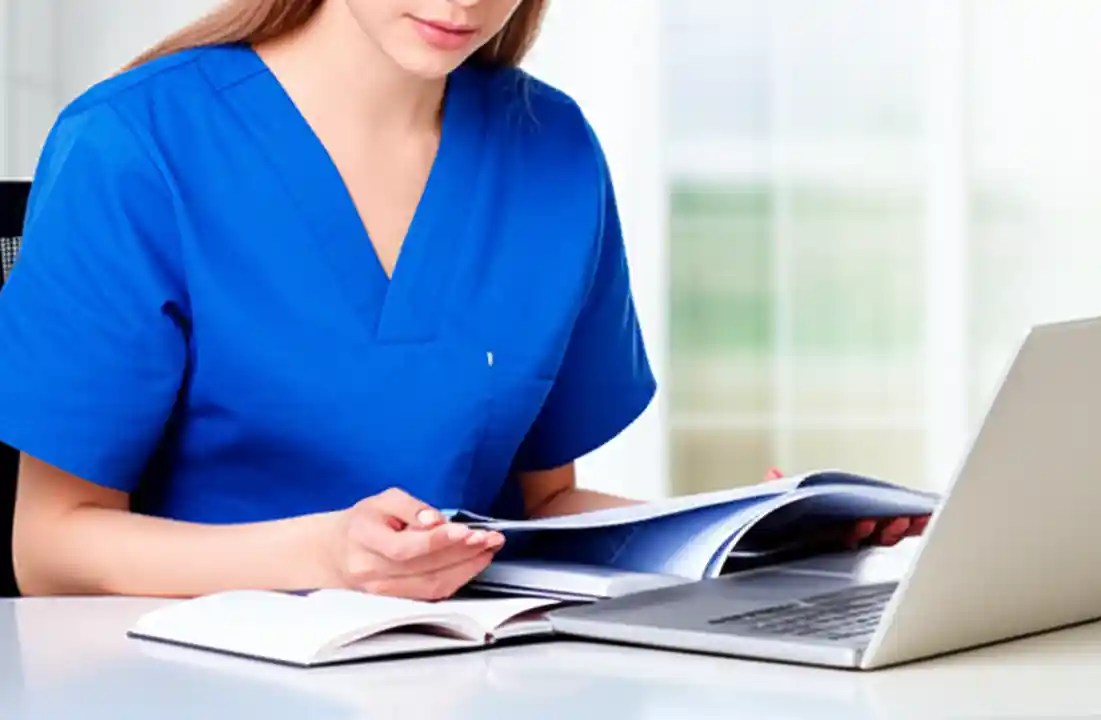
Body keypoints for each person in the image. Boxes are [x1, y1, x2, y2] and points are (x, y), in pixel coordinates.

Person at [0, 0, 926, 601]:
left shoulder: (552, 147)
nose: (462, 3)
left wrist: (753, 540)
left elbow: (544, 508)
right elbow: (52, 548)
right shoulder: (134, 144)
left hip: (474, 679)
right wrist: (323, 559)